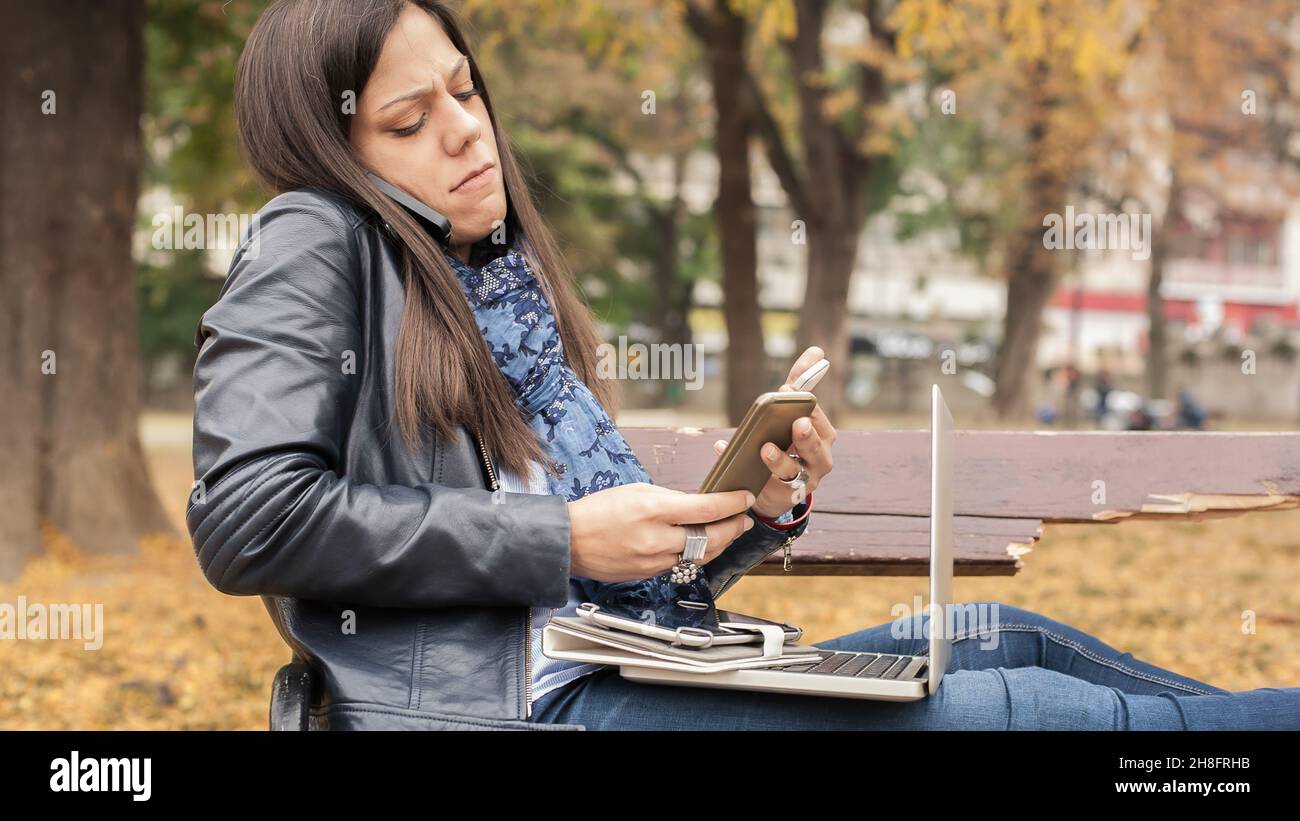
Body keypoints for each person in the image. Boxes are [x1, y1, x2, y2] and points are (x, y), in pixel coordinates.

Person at [188, 0, 1300, 730]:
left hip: (618, 672)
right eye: (408, 118)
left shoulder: (495, 288)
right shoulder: (313, 237)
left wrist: (745, 509)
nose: (467, 131)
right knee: (1018, 713)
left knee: (1001, 638)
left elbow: (601, 589)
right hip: (521, 712)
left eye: (465, 91)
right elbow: (245, 515)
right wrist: (561, 534)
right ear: (337, 149)